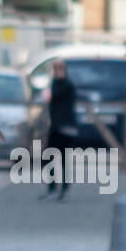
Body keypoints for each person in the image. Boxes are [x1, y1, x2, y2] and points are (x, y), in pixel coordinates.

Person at [41, 58, 78, 200]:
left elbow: (52, 95)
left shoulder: (66, 85)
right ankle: (53, 188)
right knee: (51, 157)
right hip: (56, 127)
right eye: (56, 68)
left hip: (65, 127)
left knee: (63, 159)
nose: (58, 71)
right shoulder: (57, 83)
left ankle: (63, 189)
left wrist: (49, 93)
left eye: (60, 68)